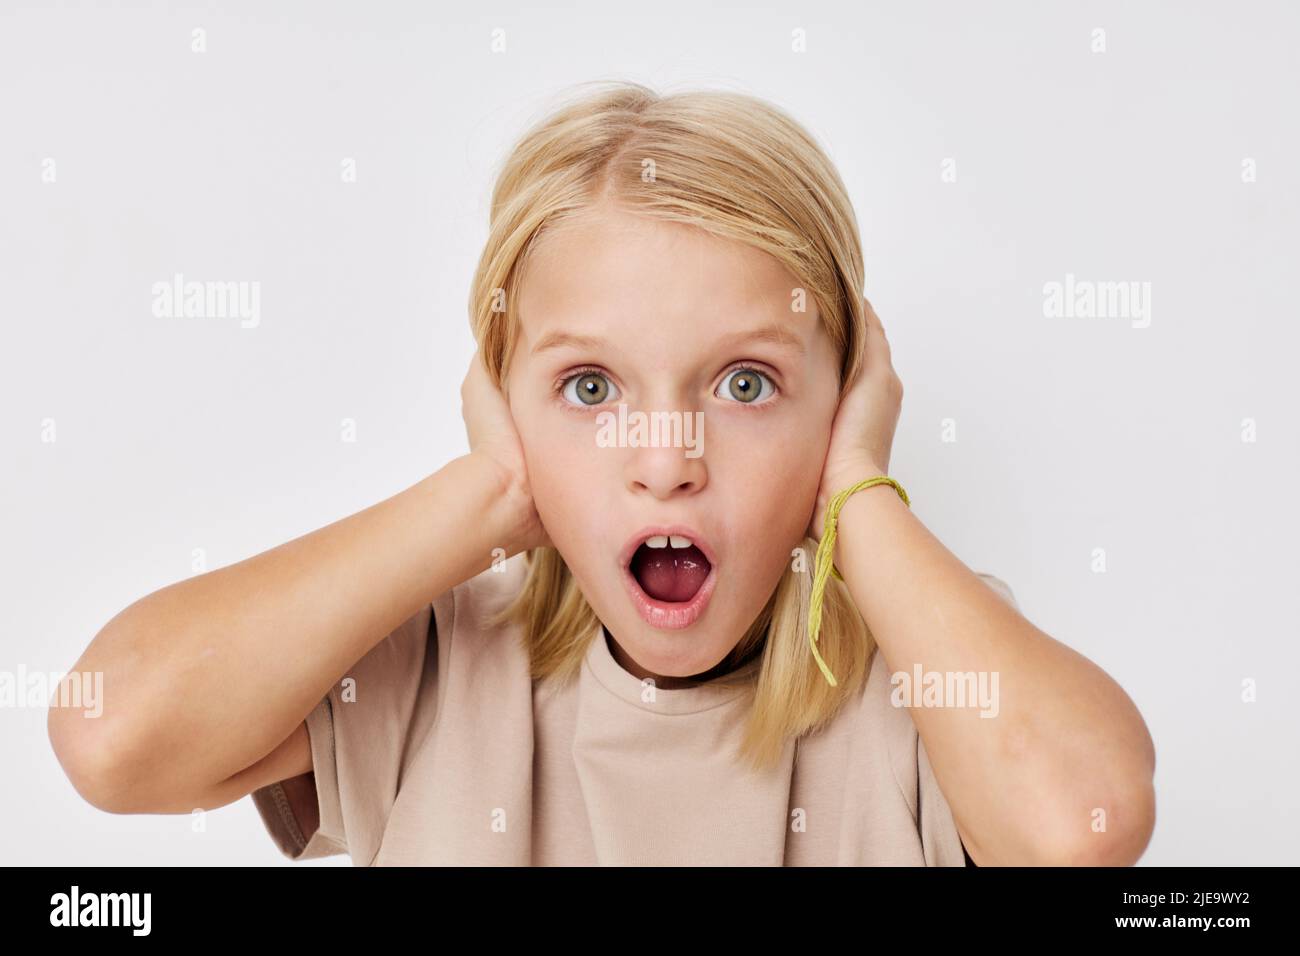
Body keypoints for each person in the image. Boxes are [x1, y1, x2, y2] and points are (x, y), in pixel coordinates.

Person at [48, 81, 1156, 866]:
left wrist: (859, 493)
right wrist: (486, 494)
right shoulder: (428, 669)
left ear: (846, 392)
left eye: (746, 384)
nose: (666, 462)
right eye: (589, 390)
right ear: (503, 400)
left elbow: (1088, 823)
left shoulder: (925, 677)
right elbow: (113, 735)